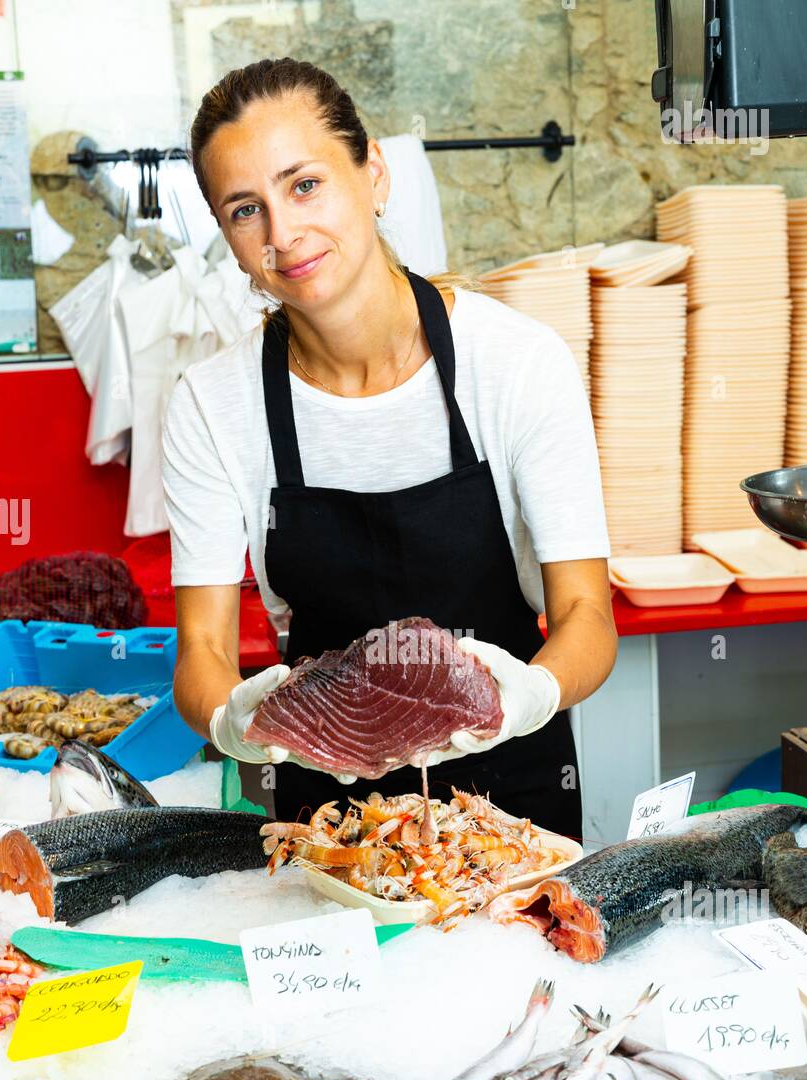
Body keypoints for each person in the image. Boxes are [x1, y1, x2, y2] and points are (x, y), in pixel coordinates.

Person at [163, 57, 616, 838]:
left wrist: (529, 694)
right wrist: (234, 722)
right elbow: (201, 649)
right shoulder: (212, 403)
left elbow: (587, 616)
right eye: (245, 210)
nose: (284, 234)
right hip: (328, 820)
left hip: (513, 808)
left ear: (372, 172)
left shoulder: (515, 362)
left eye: (305, 185)